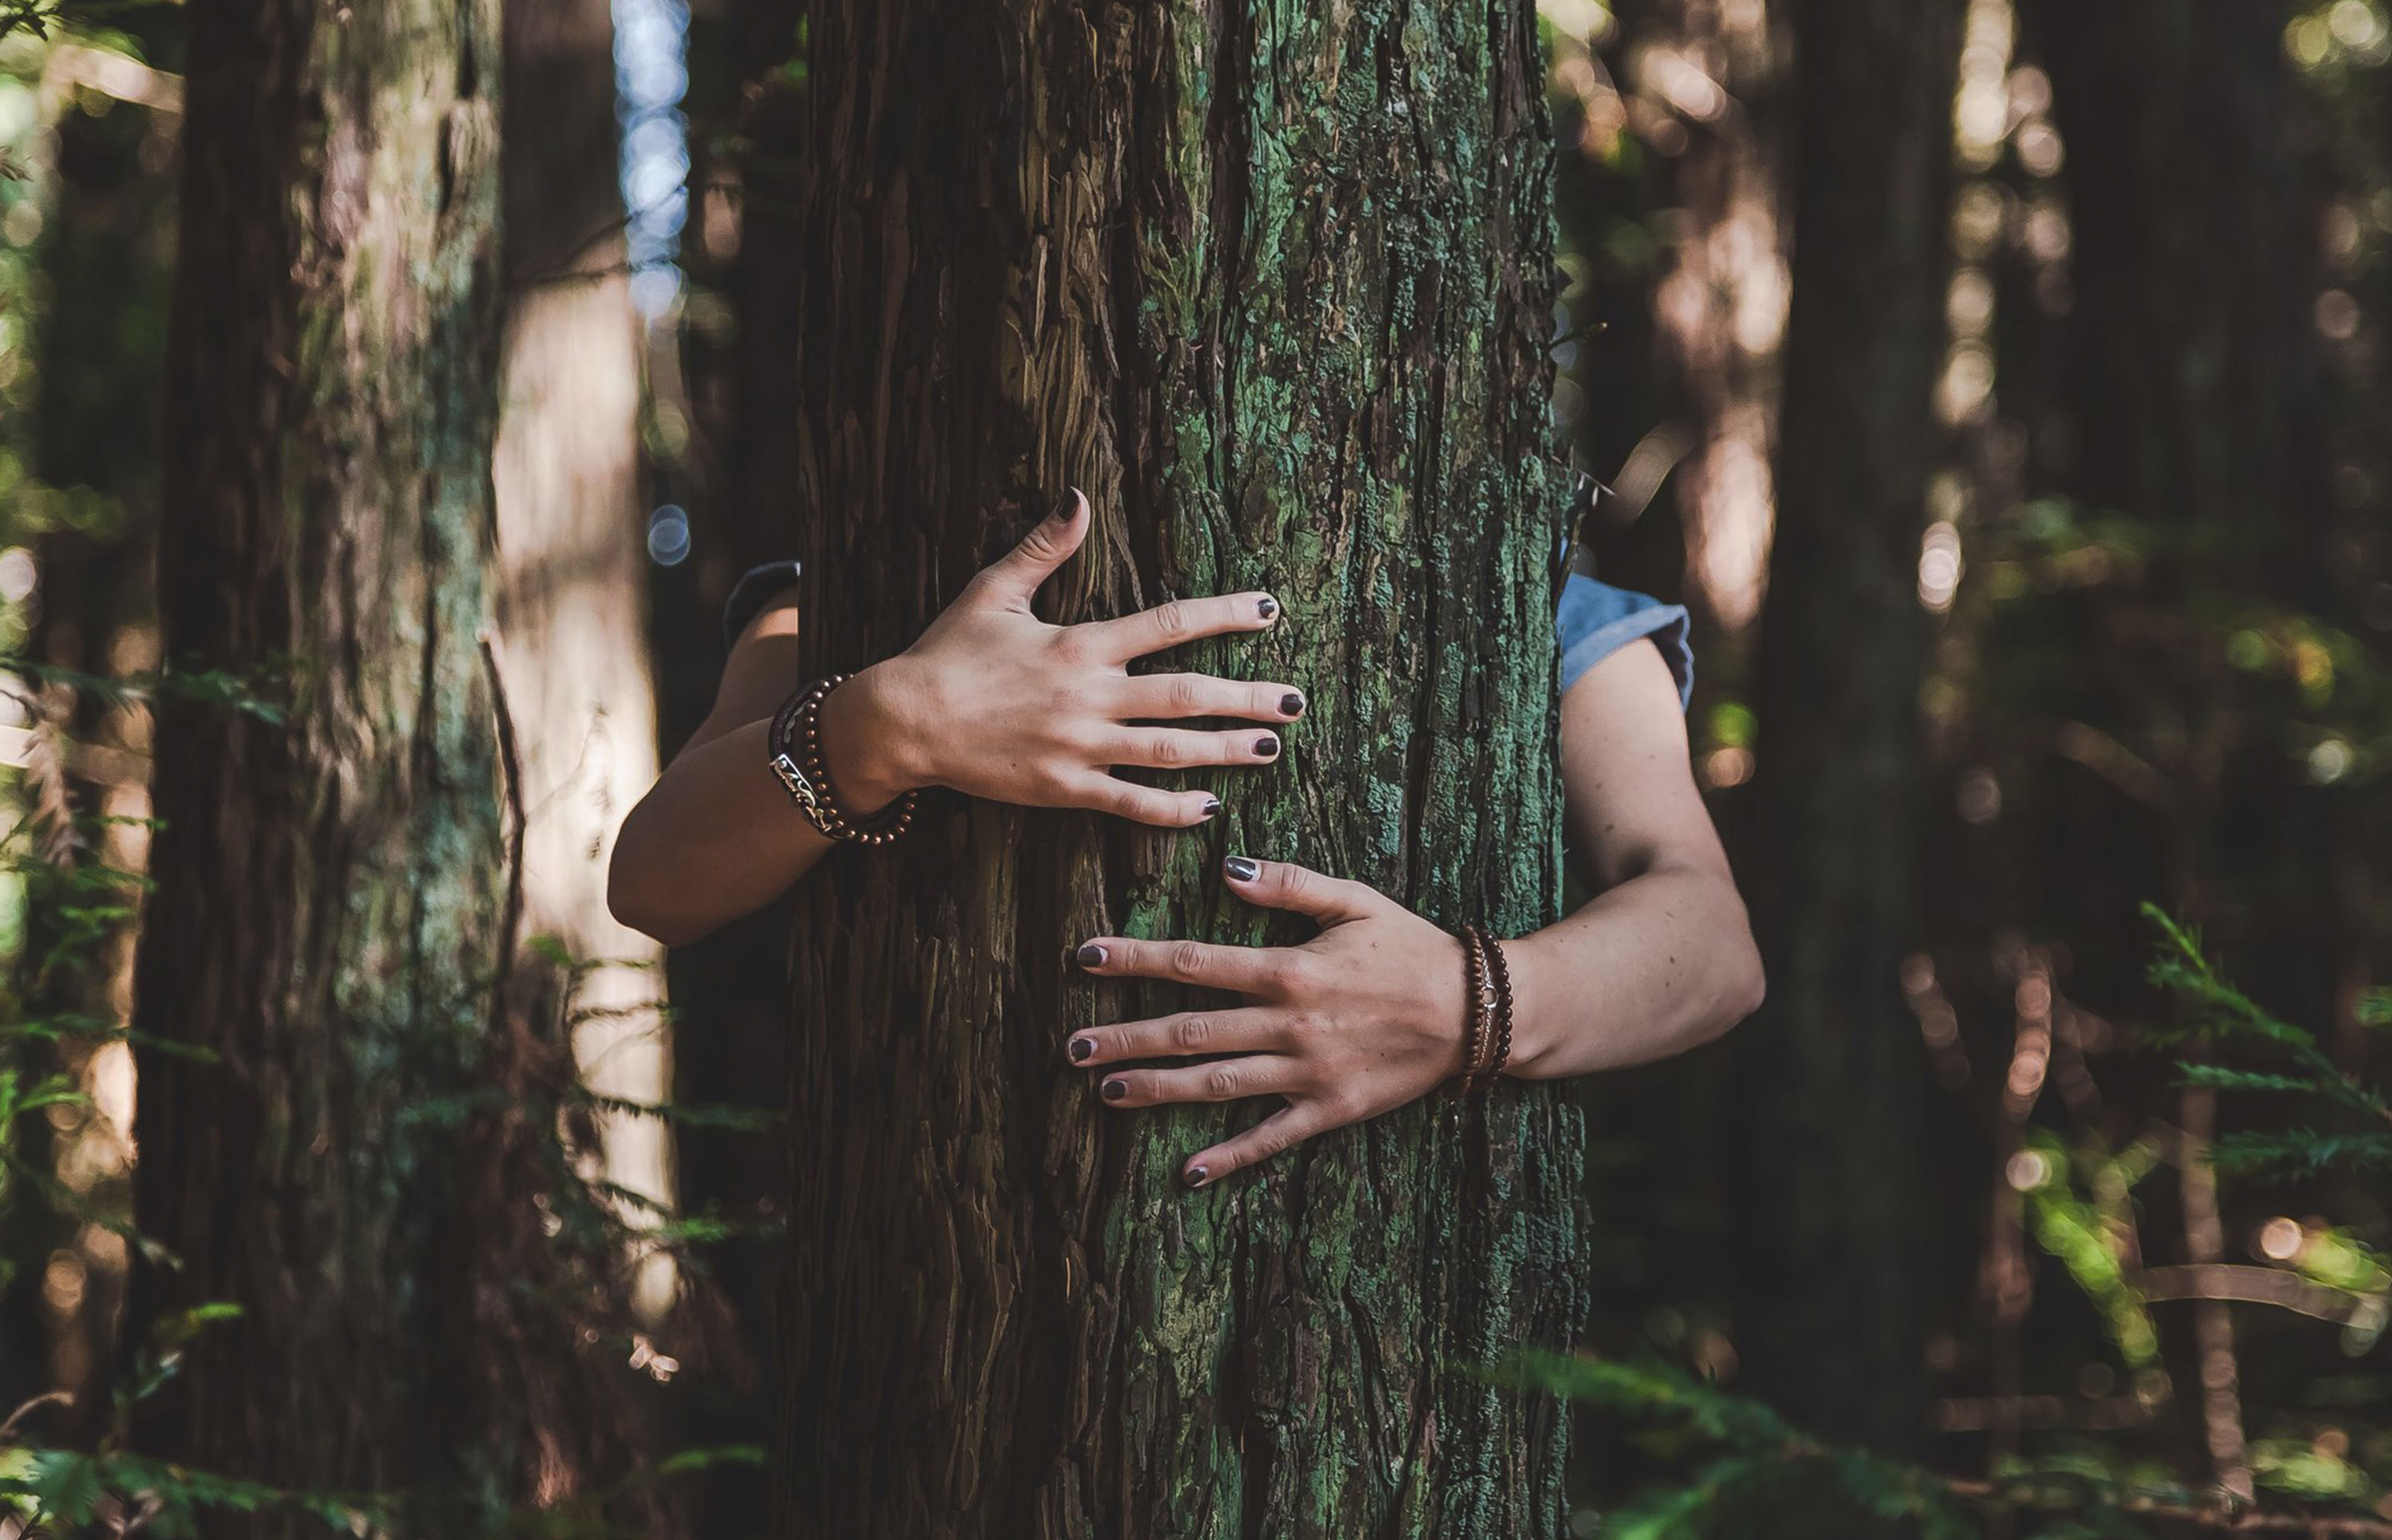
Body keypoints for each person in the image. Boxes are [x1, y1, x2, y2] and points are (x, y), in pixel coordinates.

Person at [608, 488, 1762, 1188]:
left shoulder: (1536, 606)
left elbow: (1712, 944)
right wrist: (893, 723)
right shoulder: (857, 584)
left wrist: (1466, 1002)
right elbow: (656, 880)